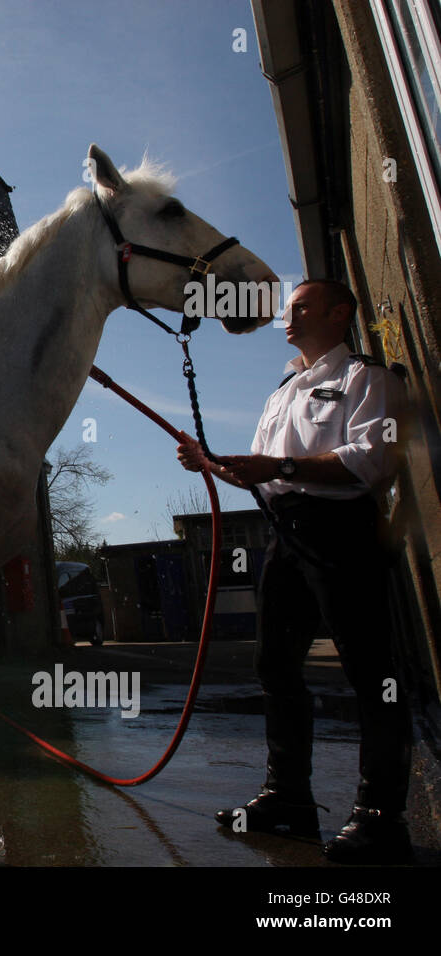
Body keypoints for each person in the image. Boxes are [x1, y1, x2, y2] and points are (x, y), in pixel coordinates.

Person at [176, 278, 413, 864]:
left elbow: (372, 461)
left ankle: (380, 819)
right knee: (274, 666)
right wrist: (213, 463)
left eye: (301, 305)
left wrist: (277, 463)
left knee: (372, 674)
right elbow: (264, 473)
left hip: (343, 533)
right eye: (290, 307)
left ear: (339, 313)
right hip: (285, 536)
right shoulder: (283, 390)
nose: (289, 314)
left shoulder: (367, 379)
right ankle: (288, 799)